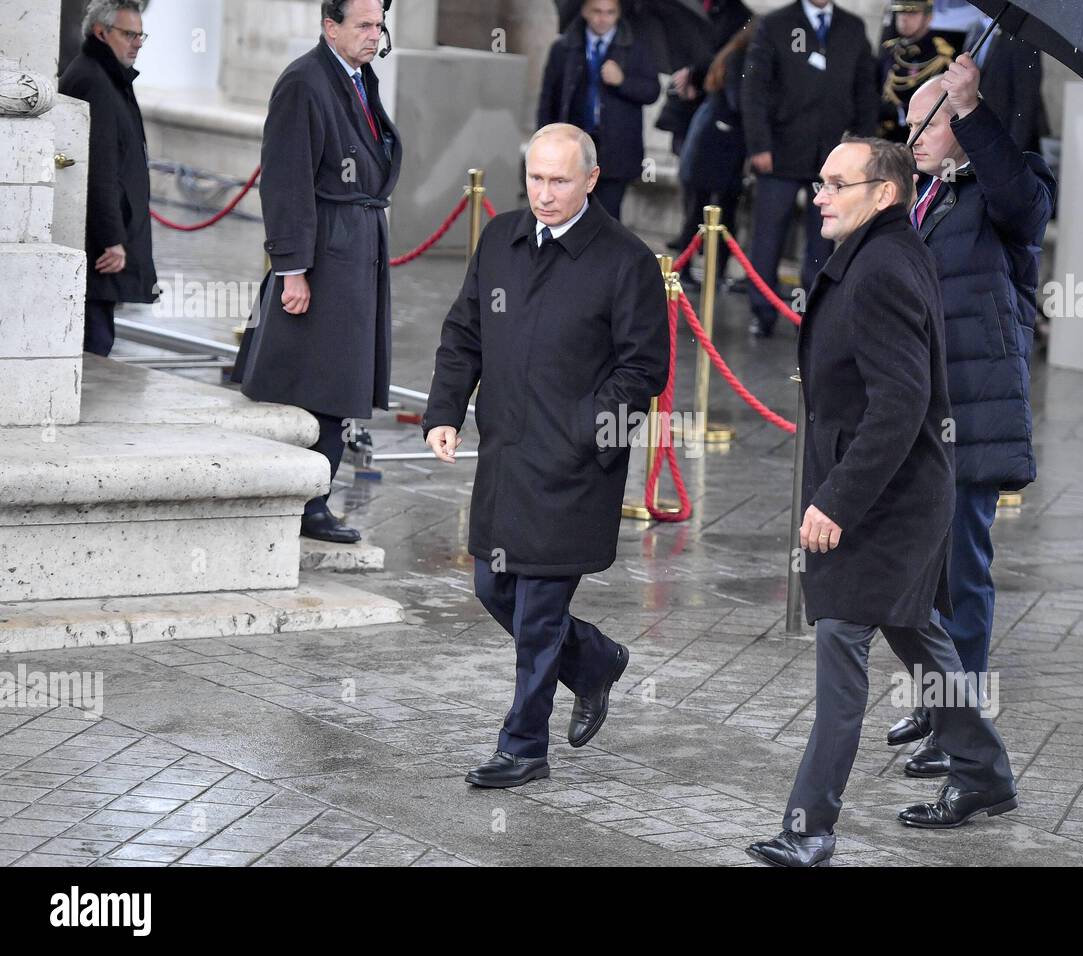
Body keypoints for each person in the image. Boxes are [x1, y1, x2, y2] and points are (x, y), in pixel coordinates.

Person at [746, 137, 1016, 868]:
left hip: (885, 501)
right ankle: (986, 776)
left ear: (884, 193)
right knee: (917, 635)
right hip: (893, 490)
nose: (820, 194)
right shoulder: (877, 254)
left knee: (839, 640)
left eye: (838, 183)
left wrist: (837, 500)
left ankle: (810, 827)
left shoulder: (884, 268)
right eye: (822, 181)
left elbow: (900, 403)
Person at [421, 124, 669, 789]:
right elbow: (463, 331)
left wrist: (588, 432)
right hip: (506, 457)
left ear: (591, 180)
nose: (544, 192)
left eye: (560, 180)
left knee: (537, 615)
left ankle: (523, 745)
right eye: (535, 177)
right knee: (493, 587)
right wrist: (444, 411)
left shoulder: (626, 261)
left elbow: (642, 368)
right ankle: (593, 662)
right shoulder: (501, 237)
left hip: (574, 469)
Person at [887, 58, 1054, 777]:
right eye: (909, 122)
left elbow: (1025, 204)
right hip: (927, 419)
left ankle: (962, 732)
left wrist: (974, 106)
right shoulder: (929, 199)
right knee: (926, 578)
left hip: (975, 416)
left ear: (960, 122)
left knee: (964, 578)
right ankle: (936, 708)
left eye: (929, 120)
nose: (913, 134)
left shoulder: (999, 190)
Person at [234, 0, 402, 546]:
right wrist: (293, 269)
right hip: (324, 257)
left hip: (354, 249)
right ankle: (308, 502)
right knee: (320, 380)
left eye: (379, 25)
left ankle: (313, 497)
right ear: (330, 27)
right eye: (364, 25)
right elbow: (285, 179)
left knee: (337, 378)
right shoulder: (305, 81)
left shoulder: (357, 76)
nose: (375, 35)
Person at [740, 0, 880, 337]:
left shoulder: (852, 28)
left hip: (835, 159)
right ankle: (763, 311)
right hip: (781, 153)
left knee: (825, 239)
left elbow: (866, 93)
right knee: (769, 233)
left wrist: (864, 148)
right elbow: (754, 89)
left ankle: (814, 313)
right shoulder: (775, 24)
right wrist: (759, 145)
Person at [58, 0, 158, 356]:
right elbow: (98, 169)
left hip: (99, 242)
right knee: (94, 343)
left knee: (98, 336)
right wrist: (112, 240)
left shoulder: (106, 76)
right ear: (102, 33)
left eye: (140, 35)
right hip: (97, 246)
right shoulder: (96, 81)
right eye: (129, 34)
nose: (138, 43)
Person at [536, 0, 660, 222]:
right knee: (569, 214)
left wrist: (622, 81)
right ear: (584, 11)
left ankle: (604, 257)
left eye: (610, 12)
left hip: (617, 151)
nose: (603, 18)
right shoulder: (564, 47)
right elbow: (548, 99)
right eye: (597, 12)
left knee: (607, 218)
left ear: (618, 13)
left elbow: (652, 91)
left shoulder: (636, 48)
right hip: (573, 148)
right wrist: (543, 141)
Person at [663, 0, 752, 257]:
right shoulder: (689, 9)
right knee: (698, 193)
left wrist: (694, 74)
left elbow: (718, 62)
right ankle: (691, 247)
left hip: (712, 116)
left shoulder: (737, 16)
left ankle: (696, 249)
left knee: (706, 197)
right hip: (700, 119)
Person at [677, 22, 755, 290]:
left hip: (719, 142)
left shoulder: (736, 55)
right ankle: (690, 271)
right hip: (714, 144)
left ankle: (714, 273)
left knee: (721, 212)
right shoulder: (740, 59)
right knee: (703, 211)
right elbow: (738, 102)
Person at [963, 11, 1047, 154]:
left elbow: (1026, 100)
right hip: (977, 137)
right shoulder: (975, 28)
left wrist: (1012, 151)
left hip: (1007, 140)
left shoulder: (1021, 34)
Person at [878, 1, 954, 143]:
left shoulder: (940, 54)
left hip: (917, 137)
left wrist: (900, 113)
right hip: (883, 135)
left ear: (928, 17)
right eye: (900, 12)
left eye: (912, 13)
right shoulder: (890, 49)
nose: (904, 18)